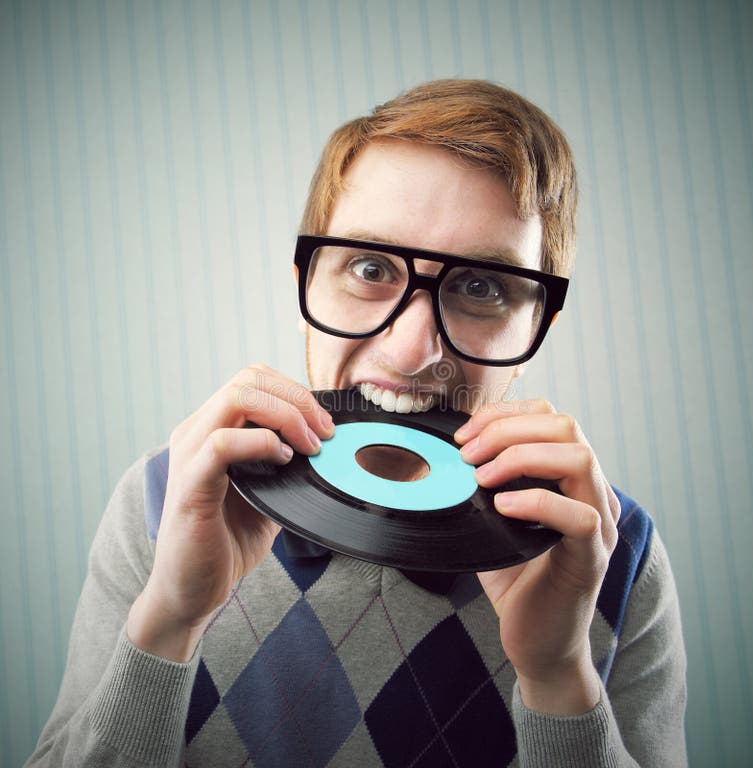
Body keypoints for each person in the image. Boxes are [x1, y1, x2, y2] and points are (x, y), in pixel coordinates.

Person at [26, 79, 687, 767]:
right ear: (305, 285)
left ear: (536, 332)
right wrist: (167, 620)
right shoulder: (169, 498)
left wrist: (557, 678)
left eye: (481, 286)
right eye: (370, 268)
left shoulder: (610, 551)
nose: (410, 352)